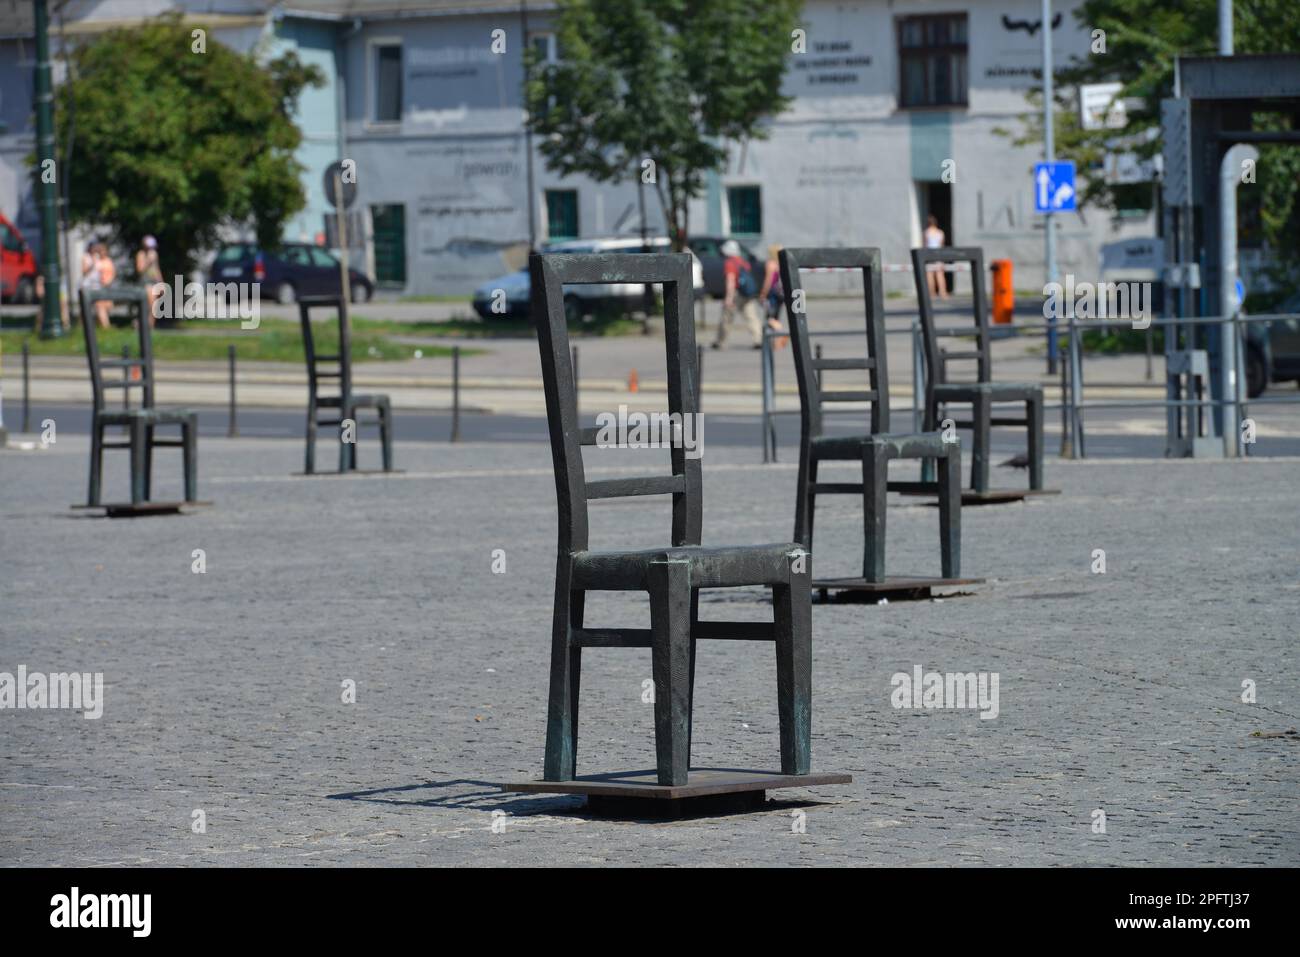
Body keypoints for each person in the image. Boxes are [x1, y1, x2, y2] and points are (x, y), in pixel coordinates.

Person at [711, 239, 763, 350]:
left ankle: (720, 342)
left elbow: (731, 280)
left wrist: (728, 299)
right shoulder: (742, 261)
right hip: (746, 294)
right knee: (751, 317)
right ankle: (758, 340)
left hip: (735, 294)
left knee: (726, 318)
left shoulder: (730, 263)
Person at [759, 243, 788, 350]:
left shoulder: (770, 264)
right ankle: (776, 343)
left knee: (770, 319)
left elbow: (768, 281)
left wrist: (763, 293)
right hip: (780, 294)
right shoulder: (781, 263)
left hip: (772, 294)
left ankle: (780, 336)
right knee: (775, 317)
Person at [82, 242, 116, 329]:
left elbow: (111, 272)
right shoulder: (92, 259)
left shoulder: (105, 260)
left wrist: (108, 281)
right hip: (94, 286)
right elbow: (86, 272)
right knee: (99, 306)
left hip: (103, 286)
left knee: (107, 306)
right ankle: (106, 327)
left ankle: (99, 325)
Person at [135, 235, 163, 325]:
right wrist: (148, 261)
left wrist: (161, 282)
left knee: (155, 306)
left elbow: (156, 269)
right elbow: (140, 270)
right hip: (146, 282)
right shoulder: (141, 254)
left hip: (154, 282)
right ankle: (144, 325)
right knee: (151, 305)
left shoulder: (154, 254)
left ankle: (149, 326)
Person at [923, 214, 949, 300]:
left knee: (929, 274)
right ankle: (943, 292)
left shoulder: (926, 232)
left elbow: (925, 245)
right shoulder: (940, 232)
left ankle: (932, 293)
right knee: (940, 274)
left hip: (929, 254)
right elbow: (941, 245)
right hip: (938, 254)